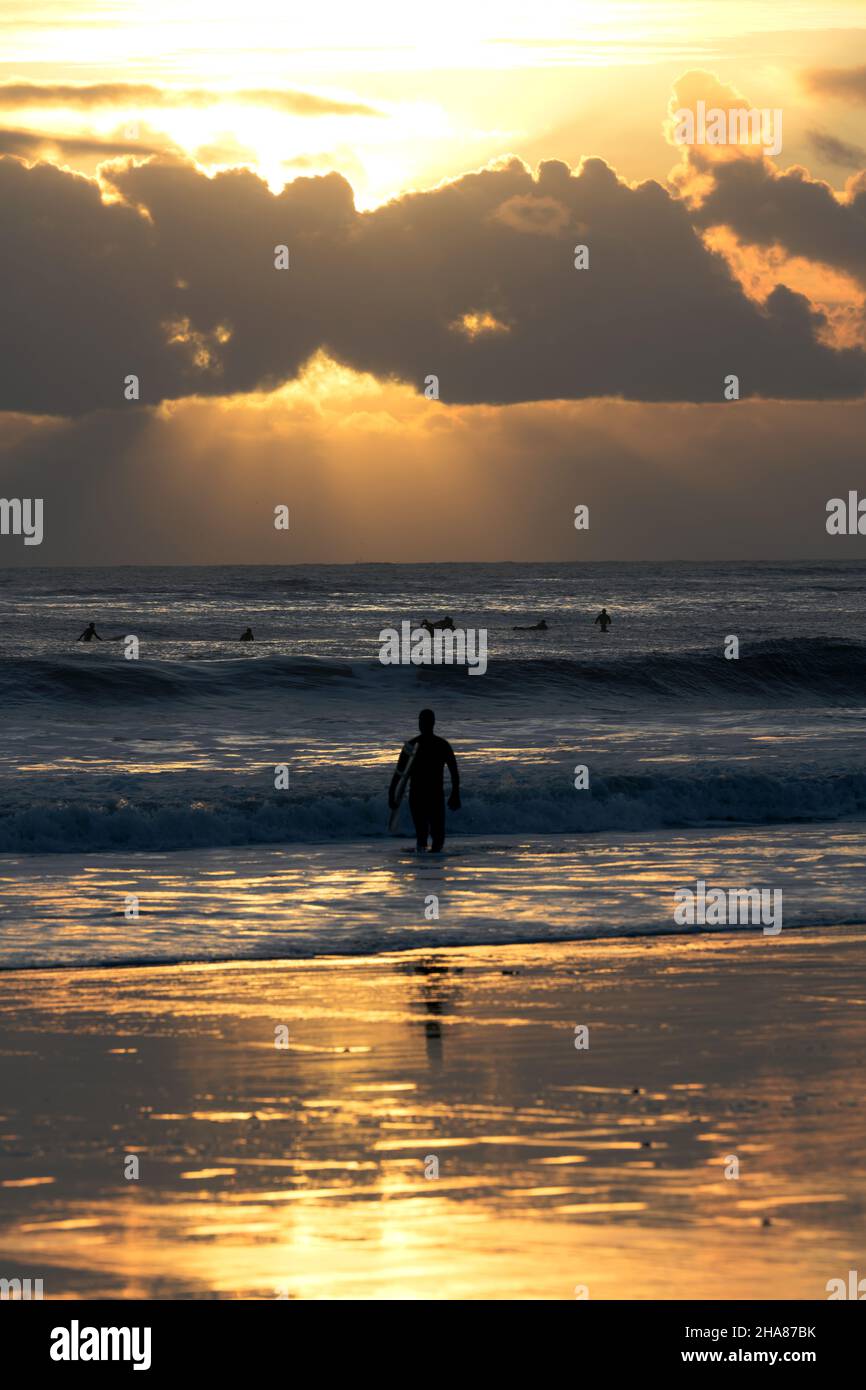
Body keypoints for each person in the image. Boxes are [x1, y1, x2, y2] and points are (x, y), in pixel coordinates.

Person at [389, 708, 460, 853]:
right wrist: (392, 794)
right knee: (423, 834)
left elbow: (454, 772)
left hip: (433, 796)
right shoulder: (414, 746)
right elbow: (399, 772)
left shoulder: (441, 745)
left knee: (437, 836)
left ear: (432, 723)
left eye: (425, 721)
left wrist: (455, 794)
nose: (423, 724)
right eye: (422, 721)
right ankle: (426, 864)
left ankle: (428, 865)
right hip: (419, 796)